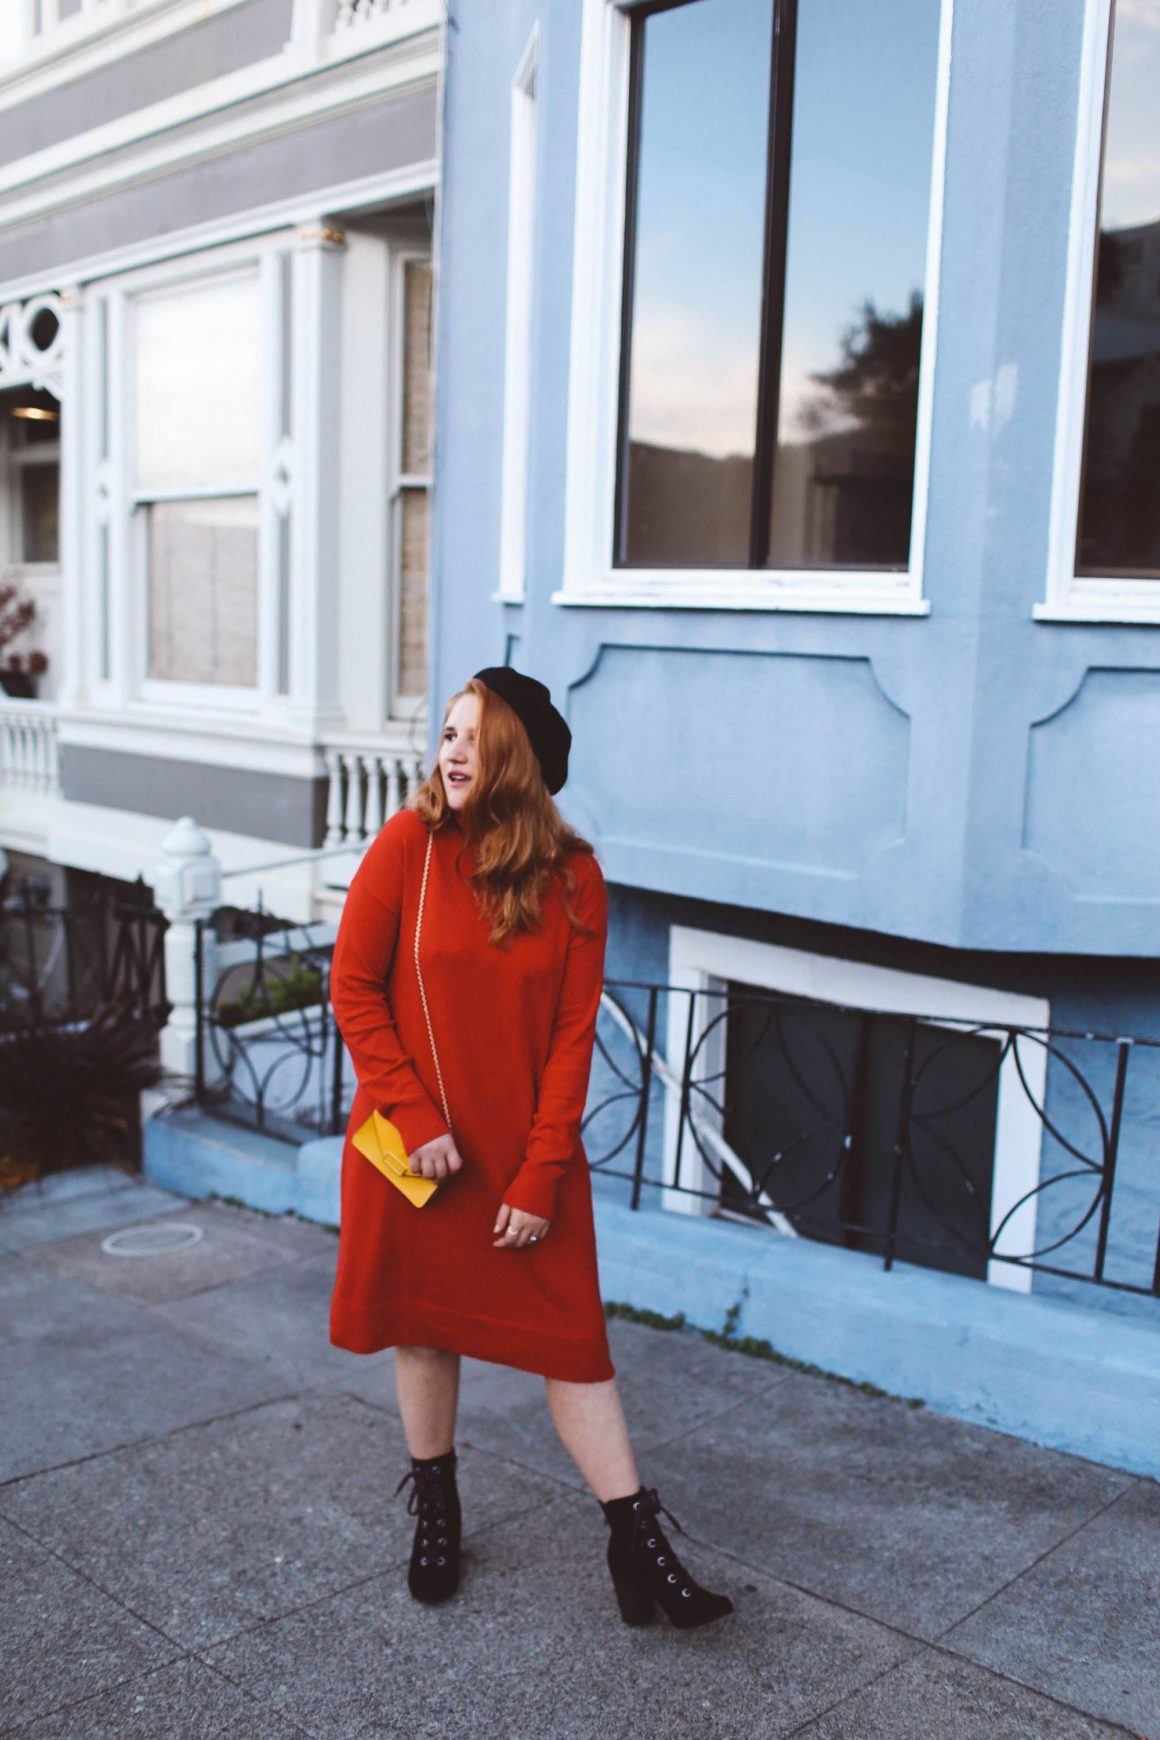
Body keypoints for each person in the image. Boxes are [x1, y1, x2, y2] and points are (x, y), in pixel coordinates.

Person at [328, 666, 732, 1630]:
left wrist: (544, 1170)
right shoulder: (409, 846)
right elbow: (353, 988)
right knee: (424, 1326)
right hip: (416, 1154)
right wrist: (417, 1121)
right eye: (448, 733)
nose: (451, 749)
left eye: (474, 735)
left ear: (518, 757)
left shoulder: (574, 877)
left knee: (575, 1349)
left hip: (523, 1163)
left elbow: (570, 1038)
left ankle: (637, 1546)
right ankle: (437, 1508)